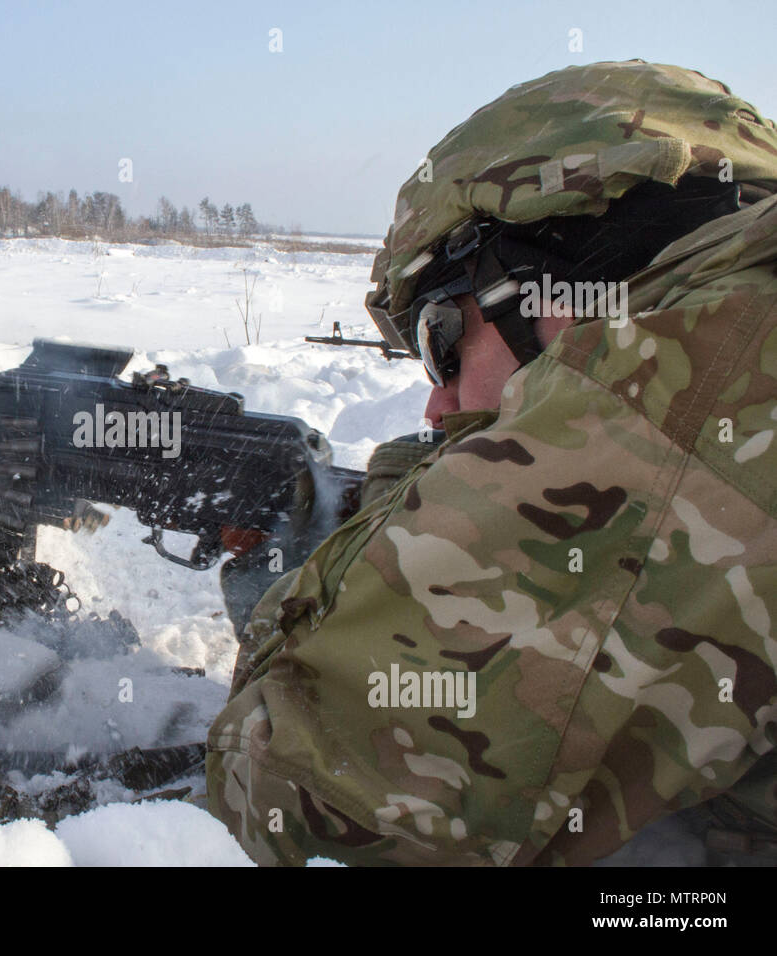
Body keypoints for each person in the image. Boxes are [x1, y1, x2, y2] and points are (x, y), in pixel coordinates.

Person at [207, 60, 777, 865]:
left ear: (573, 281)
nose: (435, 406)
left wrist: (299, 584)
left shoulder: (698, 372)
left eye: (442, 340)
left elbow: (291, 806)